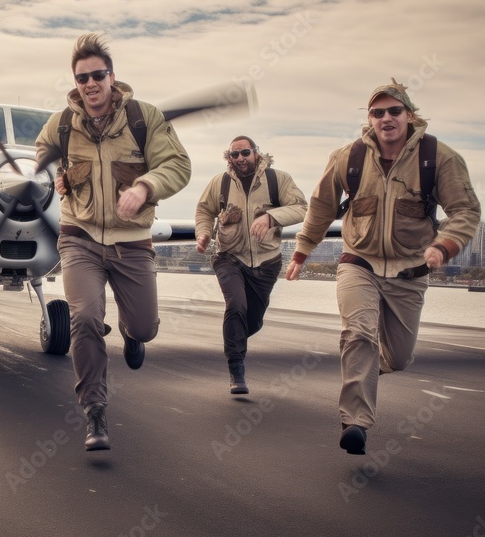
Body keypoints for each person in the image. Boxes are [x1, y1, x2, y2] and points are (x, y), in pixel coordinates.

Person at [286, 79, 481, 455]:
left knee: (400, 357)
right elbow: (321, 208)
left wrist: (445, 245)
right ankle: (355, 422)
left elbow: (466, 211)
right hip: (358, 263)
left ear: (409, 115)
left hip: (411, 271)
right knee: (358, 334)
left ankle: (363, 373)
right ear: (370, 119)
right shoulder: (348, 157)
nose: (386, 118)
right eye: (378, 112)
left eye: (394, 111)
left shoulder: (439, 157)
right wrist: (300, 253)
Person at [35, 33, 192, 451]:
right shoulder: (62, 124)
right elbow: (42, 152)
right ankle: (95, 411)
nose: (90, 84)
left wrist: (144, 186)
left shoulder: (145, 119)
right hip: (79, 237)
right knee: (84, 319)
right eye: (82, 77)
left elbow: (177, 164)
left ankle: (132, 332)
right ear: (75, 81)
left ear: (112, 78)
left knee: (145, 326)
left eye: (98, 75)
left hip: (133, 241)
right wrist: (47, 171)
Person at [195, 136, 307, 394]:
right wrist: (203, 233)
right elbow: (204, 211)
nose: (240, 158)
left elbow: (302, 207)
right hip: (228, 256)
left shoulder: (277, 179)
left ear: (256, 153)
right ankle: (236, 368)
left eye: (245, 152)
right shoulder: (219, 183)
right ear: (228, 158)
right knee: (236, 306)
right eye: (234, 155)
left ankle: (234, 339)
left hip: (266, 261)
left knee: (253, 321)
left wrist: (271, 216)